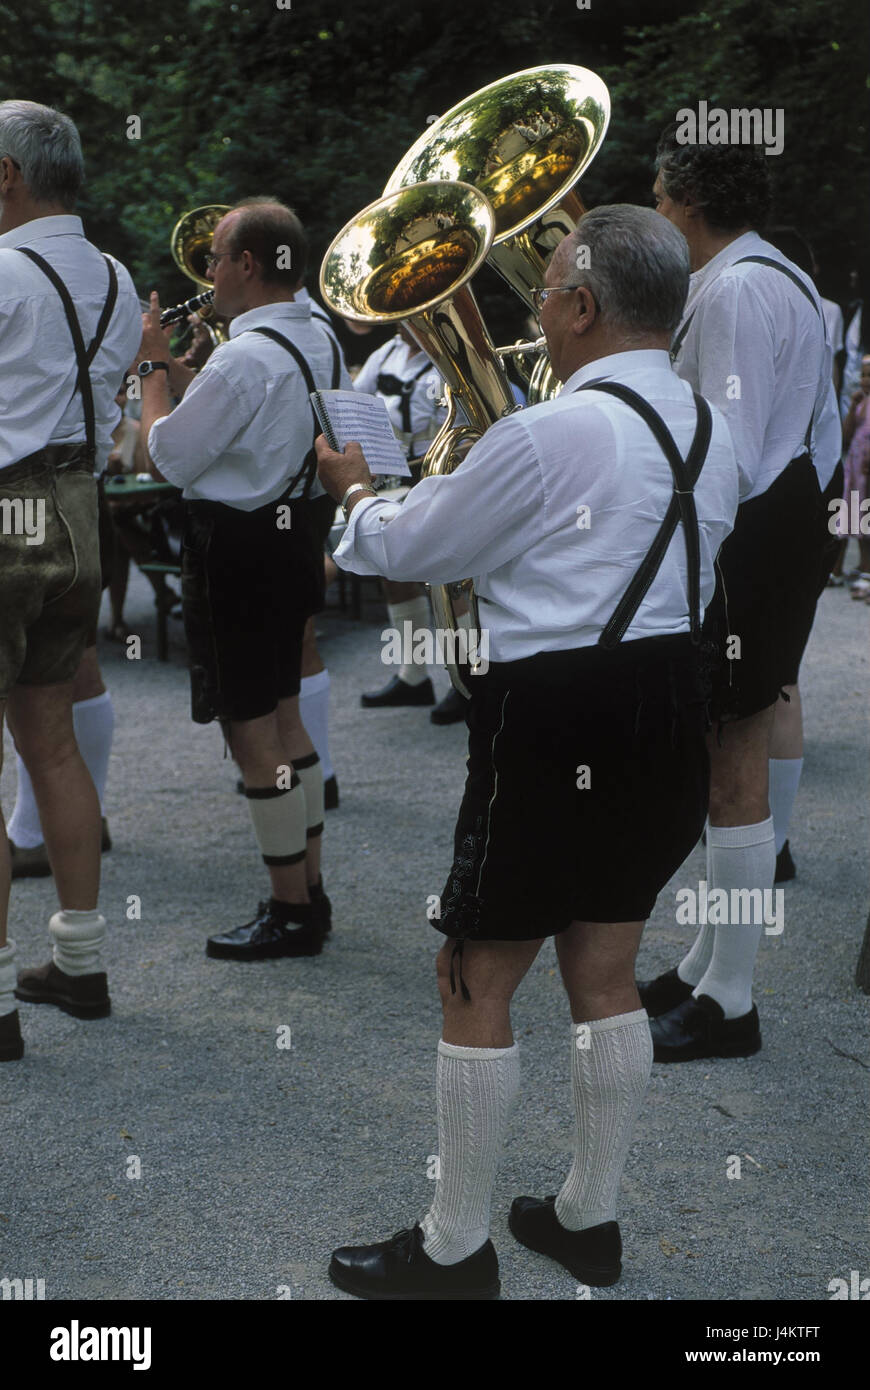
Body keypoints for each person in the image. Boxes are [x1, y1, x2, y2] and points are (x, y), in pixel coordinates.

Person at [315, 205, 739, 1299]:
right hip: (668, 704)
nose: (535, 314)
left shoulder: (551, 431)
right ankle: (586, 1220)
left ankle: (454, 1247)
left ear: (586, 305)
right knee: (604, 967)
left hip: (556, 715)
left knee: (474, 971)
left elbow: (413, 551)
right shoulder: (708, 425)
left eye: (543, 293)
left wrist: (356, 493)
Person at [642, 136, 841, 1060]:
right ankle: (709, 963)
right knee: (733, 756)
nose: (653, 204)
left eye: (657, 190)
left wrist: (688, 552)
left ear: (684, 197)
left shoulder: (731, 287)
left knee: (733, 767)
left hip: (751, 528)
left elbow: (736, 446)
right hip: (781, 519)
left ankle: (731, 999)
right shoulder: (767, 272)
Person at [138, 198, 352, 961]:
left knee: (251, 733)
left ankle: (289, 911)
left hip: (236, 549)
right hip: (293, 537)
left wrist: (154, 366)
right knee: (288, 720)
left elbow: (164, 456)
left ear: (248, 265)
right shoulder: (317, 333)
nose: (209, 272)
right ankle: (310, 892)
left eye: (217, 259)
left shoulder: (244, 356)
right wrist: (195, 371)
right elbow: (262, 427)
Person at [0, 100, 141, 1062]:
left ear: (7, 176)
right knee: (52, 743)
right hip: (80, 512)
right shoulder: (120, 278)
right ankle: (79, 962)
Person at [350, 326, 466, 723]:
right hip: (392, 476)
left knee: (452, 581)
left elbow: (460, 426)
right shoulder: (385, 353)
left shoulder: (447, 356)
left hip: (435, 474)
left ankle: (465, 680)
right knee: (393, 570)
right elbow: (356, 400)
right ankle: (413, 675)